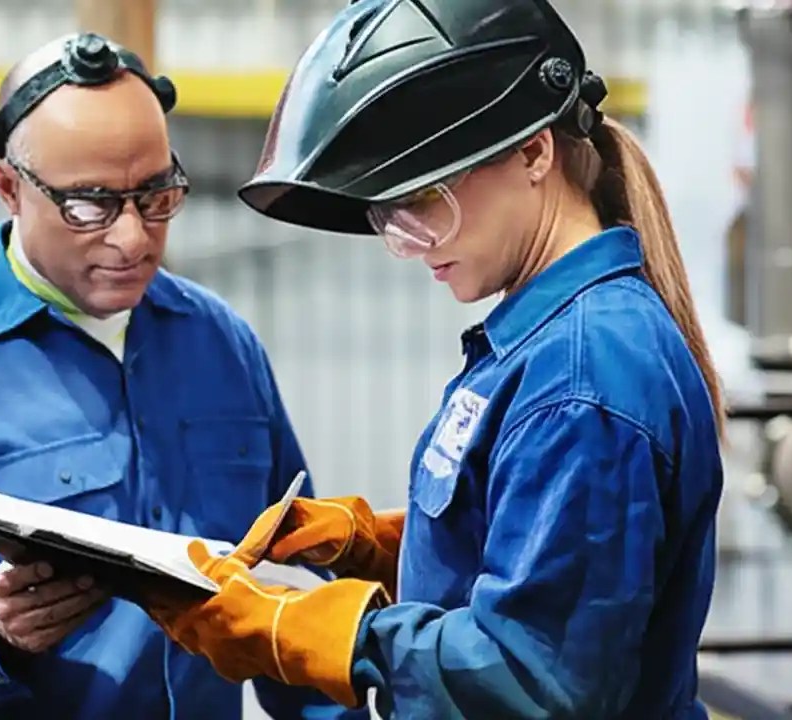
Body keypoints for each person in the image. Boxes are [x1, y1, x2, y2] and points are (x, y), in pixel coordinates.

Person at [140, 2, 726, 719]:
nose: (411, 242)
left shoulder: (581, 379)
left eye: (425, 200)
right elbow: (548, 570)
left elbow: (535, 679)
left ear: (535, 152)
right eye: (391, 217)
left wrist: (304, 631)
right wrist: (381, 544)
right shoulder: (550, 344)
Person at [0, 31, 359, 719]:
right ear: (8, 187)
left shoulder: (220, 346)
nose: (132, 238)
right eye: (90, 204)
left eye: (157, 195)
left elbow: (285, 577)